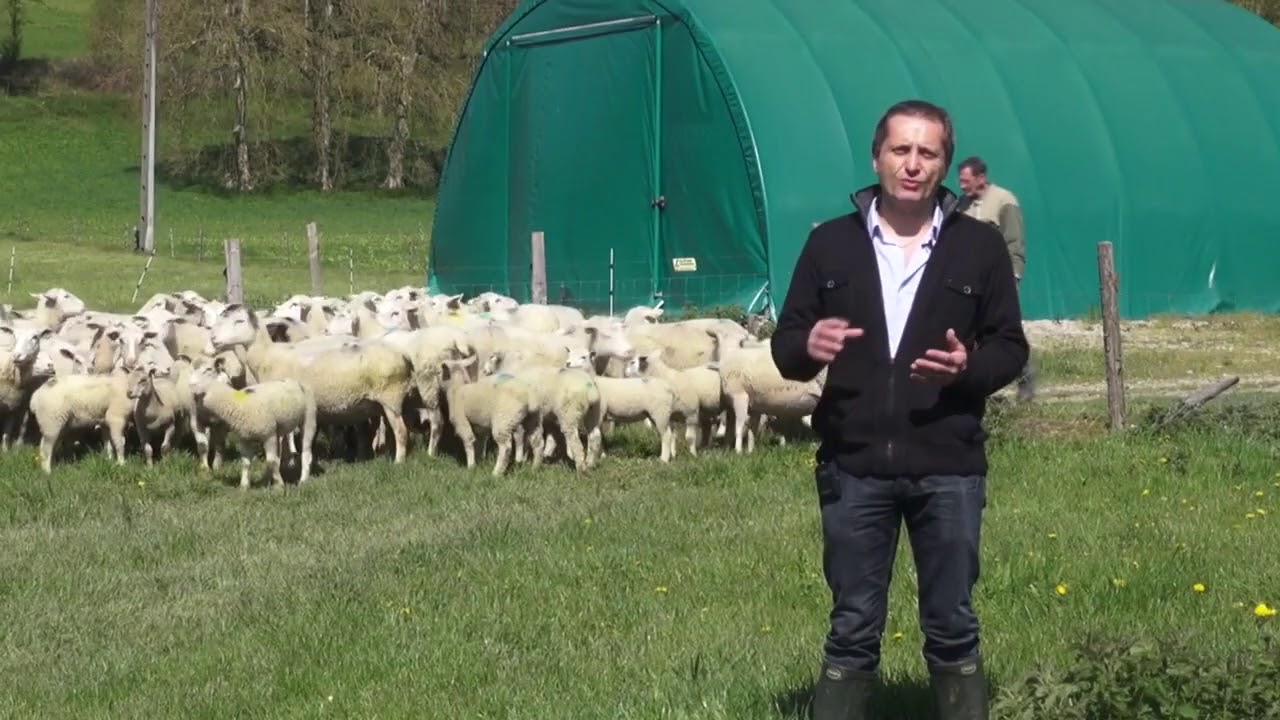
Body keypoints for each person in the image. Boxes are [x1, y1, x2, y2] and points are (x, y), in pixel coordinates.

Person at [770, 100, 1029, 720]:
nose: (912, 165)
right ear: (876, 156)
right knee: (853, 622)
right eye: (900, 150)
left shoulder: (979, 247)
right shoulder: (829, 244)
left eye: (927, 153)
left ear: (945, 164)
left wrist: (969, 370)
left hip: (948, 463)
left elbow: (1010, 347)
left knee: (952, 620)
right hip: (854, 464)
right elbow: (787, 346)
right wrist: (807, 345)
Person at [957, 156, 1035, 402]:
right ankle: (977, 386)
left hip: (997, 279)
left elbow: (1014, 240)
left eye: (966, 181)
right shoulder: (962, 205)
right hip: (968, 281)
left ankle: (1025, 381)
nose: (962, 186)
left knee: (1001, 332)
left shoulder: (1004, 201)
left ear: (981, 177)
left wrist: (1013, 276)